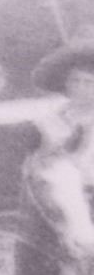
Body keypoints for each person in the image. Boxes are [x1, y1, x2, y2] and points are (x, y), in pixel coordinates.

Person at [25, 25, 94, 251]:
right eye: (76, 81)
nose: (81, 89)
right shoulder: (49, 121)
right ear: (66, 84)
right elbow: (35, 166)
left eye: (89, 82)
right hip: (63, 203)